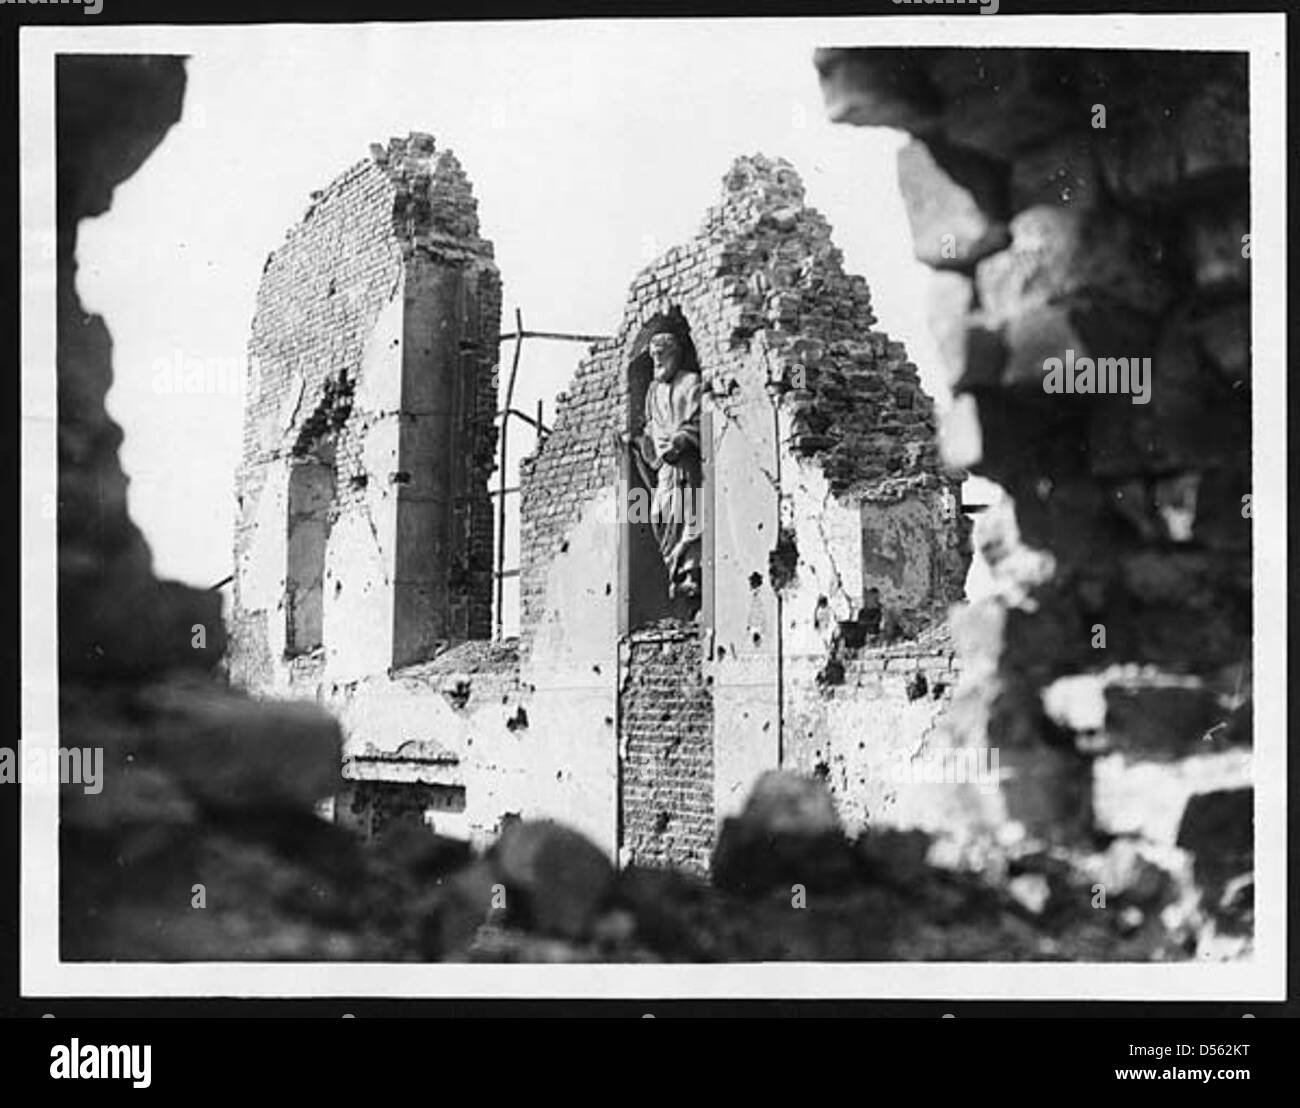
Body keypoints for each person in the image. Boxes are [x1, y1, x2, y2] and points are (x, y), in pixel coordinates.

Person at [624, 326, 703, 605]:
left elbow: (698, 420)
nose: (657, 361)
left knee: (691, 513)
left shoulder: (691, 382)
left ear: (675, 355)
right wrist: (639, 442)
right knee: (659, 514)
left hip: (687, 466)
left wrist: (681, 441)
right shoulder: (652, 391)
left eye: (662, 355)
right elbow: (650, 427)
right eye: (653, 356)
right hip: (665, 470)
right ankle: (673, 571)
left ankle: (690, 574)